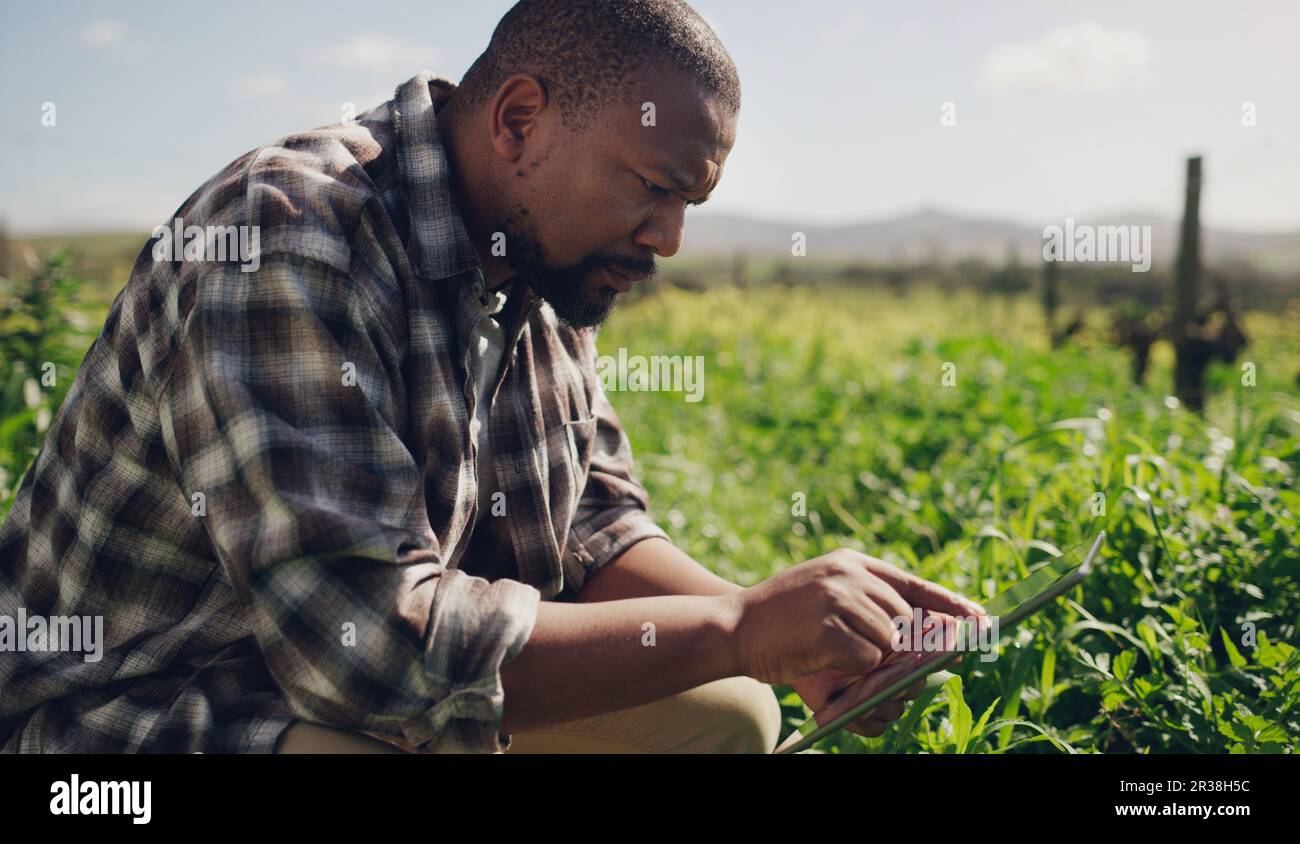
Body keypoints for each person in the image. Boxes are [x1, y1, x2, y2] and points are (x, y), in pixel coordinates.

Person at [0, 0, 984, 755]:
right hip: (133, 723)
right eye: (652, 187)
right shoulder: (282, 238)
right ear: (518, 121)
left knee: (725, 713)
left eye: (691, 201)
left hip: (322, 691)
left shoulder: (543, 257)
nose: (670, 239)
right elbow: (367, 654)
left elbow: (594, 532)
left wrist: (785, 641)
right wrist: (733, 625)